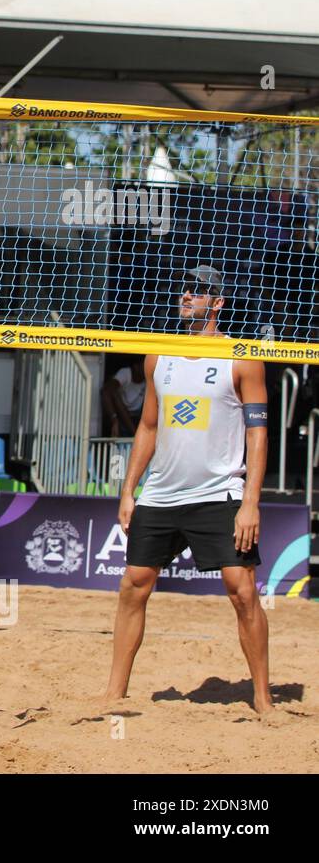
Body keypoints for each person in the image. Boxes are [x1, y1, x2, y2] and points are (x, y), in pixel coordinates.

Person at [103, 265, 272, 714]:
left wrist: (251, 502)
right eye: (184, 289)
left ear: (217, 302)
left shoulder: (241, 356)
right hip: (163, 492)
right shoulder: (159, 355)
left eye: (198, 292)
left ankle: (263, 699)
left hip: (220, 493)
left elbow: (258, 434)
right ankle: (113, 694)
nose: (186, 296)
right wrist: (128, 490)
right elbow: (149, 426)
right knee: (133, 586)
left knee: (242, 591)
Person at [101, 357, 146, 437]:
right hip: (121, 416)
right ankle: (135, 435)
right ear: (136, 366)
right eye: (144, 365)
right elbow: (106, 390)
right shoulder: (126, 373)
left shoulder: (149, 378)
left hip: (137, 417)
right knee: (114, 393)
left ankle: (136, 435)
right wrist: (114, 420)